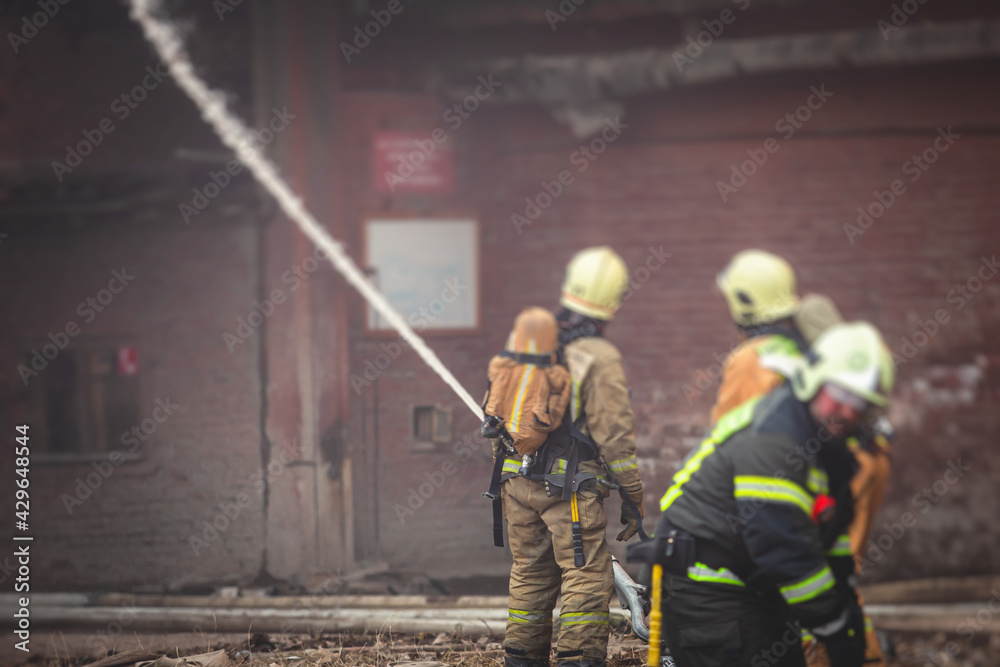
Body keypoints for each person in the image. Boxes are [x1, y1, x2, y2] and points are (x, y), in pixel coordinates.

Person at [649, 322, 894, 667]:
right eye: (841, 395)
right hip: (709, 591)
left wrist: (847, 610)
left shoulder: (823, 441)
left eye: (861, 405)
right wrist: (836, 630)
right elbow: (785, 547)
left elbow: (828, 535)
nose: (848, 411)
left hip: (754, 586)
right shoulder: (775, 441)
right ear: (814, 379)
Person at [497, 246, 645, 667]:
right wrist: (632, 495)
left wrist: (508, 470)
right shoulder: (599, 357)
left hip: (514, 476)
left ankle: (521, 660)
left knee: (529, 572)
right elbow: (615, 437)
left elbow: (499, 414)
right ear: (612, 301)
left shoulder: (523, 340)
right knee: (585, 575)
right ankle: (578, 660)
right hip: (569, 489)